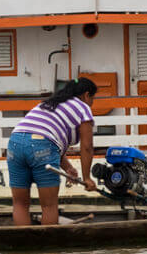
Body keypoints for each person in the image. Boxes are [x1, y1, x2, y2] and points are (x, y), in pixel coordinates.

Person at [7, 78, 97, 226]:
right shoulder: (83, 107)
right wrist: (87, 178)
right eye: (93, 98)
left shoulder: (49, 103)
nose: (92, 102)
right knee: (49, 206)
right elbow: (87, 147)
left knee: (20, 204)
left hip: (14, 144)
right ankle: (46, 248)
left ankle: (23, 245)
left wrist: (68, 168)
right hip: (43, 145)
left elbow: (48, 138)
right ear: (87, 95)